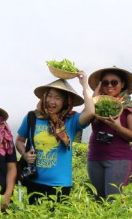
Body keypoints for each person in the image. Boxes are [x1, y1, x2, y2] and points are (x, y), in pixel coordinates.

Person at [15, 74, 95, 202]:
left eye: (58, 98)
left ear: (65, 102)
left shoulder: (71, 121)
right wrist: (24, 154)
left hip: (60, 185)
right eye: (50, 96)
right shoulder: (33, 117)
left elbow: (90, 111)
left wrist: (84, 85)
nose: (52, 101)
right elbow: (19, 140)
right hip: (34, 181)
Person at [84, 66, 132, 199]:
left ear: (122, 84)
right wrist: (92, 99)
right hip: (95, 157)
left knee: (114, 201)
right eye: (105, 82)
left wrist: (117, 127)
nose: (110, 85)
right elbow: (82, 121)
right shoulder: (95, 104)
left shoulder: (129, 105)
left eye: (114, 82)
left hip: (119, 158)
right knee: (98, 202)